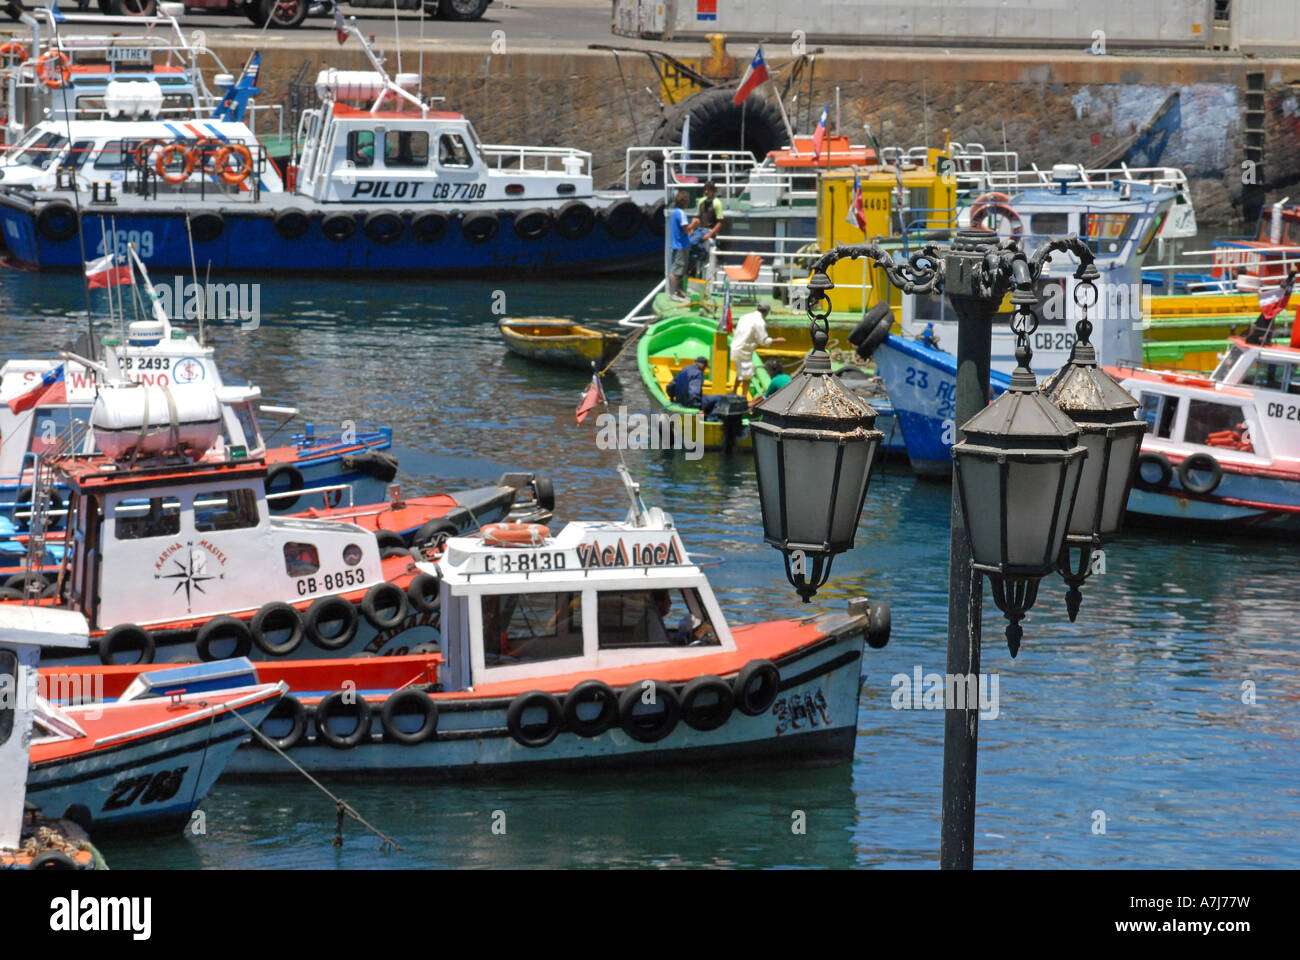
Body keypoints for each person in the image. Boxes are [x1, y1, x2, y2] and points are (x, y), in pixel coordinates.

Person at [729, 302, 784, 395]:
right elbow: (764, 341)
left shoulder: (745, 317)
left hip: (735, 347)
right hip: (744, 350)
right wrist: (776, 340)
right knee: (747, 375)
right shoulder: (759, 322)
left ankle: (734, 392)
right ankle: (743, 396)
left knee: (740, 373)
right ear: (766, 312)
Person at [668, 190, 700, 302]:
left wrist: (690, 229)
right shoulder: (681, 213)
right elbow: (685, 229)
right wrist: (694, 224)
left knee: (679, 271)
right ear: (685, 202)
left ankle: (678, 292)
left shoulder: (674, 213)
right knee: (676, 272)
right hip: (681, 246)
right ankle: (673, 294)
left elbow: (682, 231)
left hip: (677, 245)